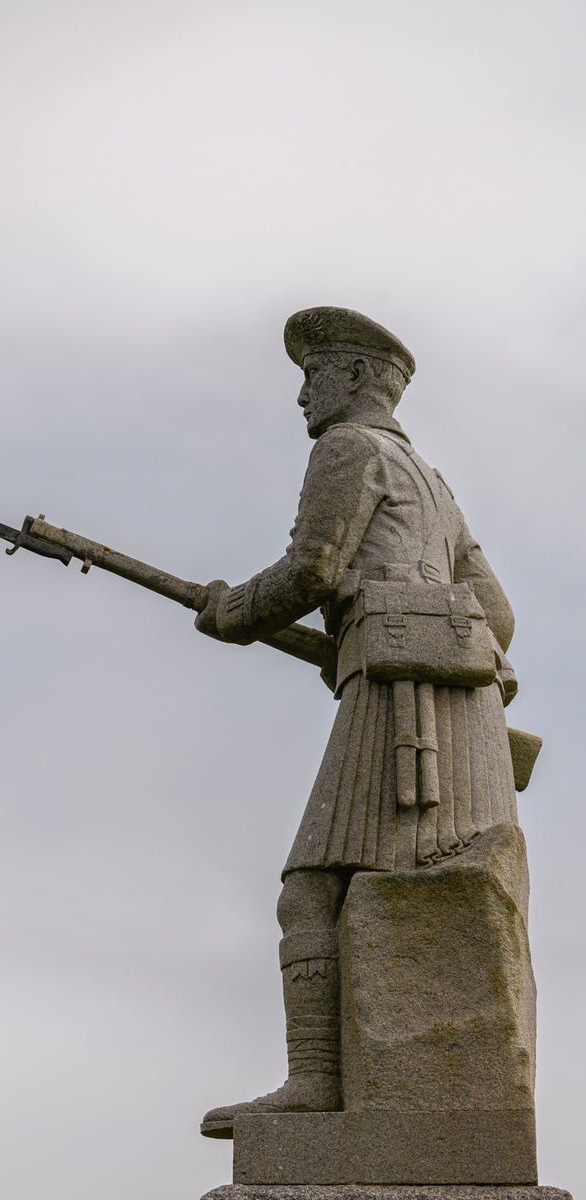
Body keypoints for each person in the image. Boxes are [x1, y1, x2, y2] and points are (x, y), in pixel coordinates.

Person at [194, 307, 519, 1138]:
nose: (303, 392)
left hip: (395, 700)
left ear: (355, 378)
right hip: (460, 711)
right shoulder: (432, 480)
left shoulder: (346, 449)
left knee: (309, 892)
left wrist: (234, 612)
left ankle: (315, 1080)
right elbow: (498, 616)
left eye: (315, 373)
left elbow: (311, 566)